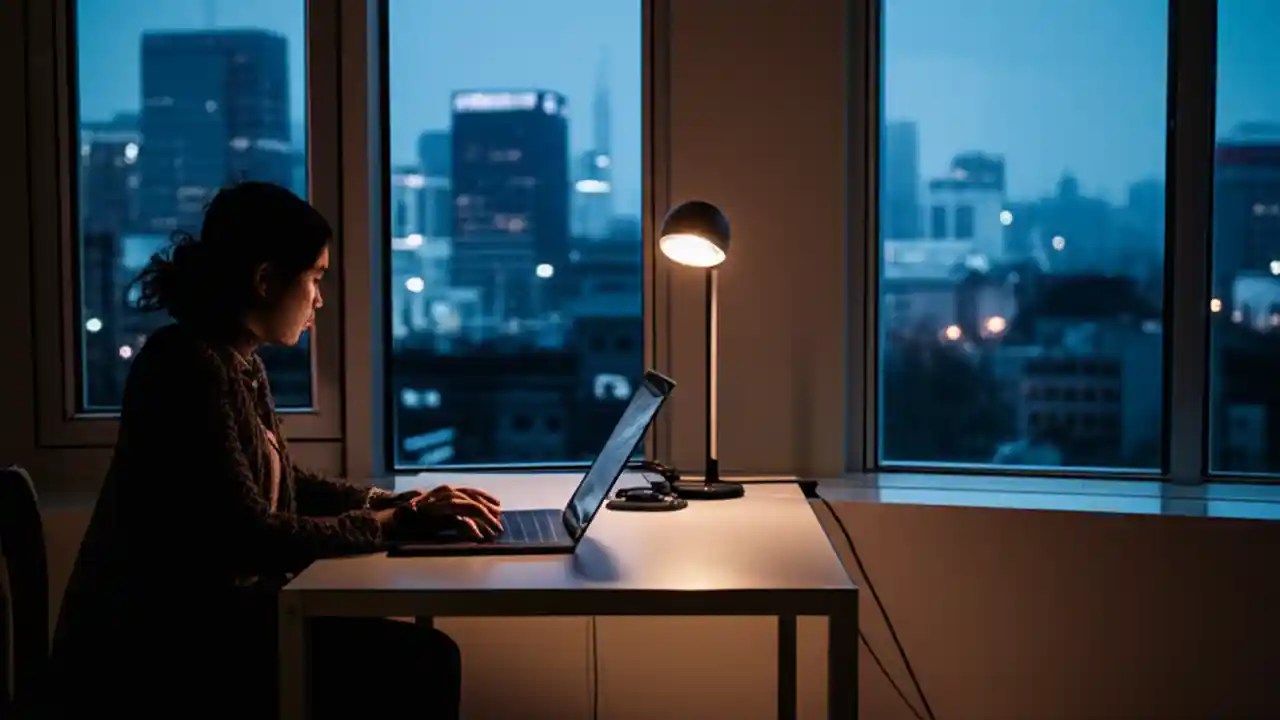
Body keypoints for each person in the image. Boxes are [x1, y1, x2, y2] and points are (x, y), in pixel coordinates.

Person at [46, 182, 503, 719]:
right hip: (158, 649)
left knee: (419, 657)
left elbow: (288, 485)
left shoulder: (236, 360)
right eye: (314, 278)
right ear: (265, 280)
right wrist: (389, 524)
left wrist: (395, 500)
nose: (319, 299)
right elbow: (248, 534)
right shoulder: (186, 366)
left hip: (211, 625)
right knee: (423, 662)